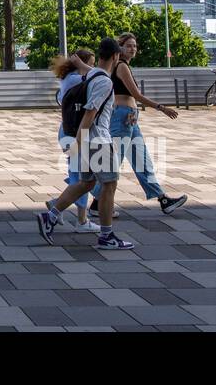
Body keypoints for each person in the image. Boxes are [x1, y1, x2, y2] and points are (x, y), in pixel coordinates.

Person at [38, 38, 134, 250]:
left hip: (87, 141)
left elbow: (87, 68)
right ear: (116, 57)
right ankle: (106, 236)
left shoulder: (92, 74)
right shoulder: (104, 82)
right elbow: (90, 113)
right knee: (109, 185)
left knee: (86, 184)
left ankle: (50, 216)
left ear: (99, 56)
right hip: (97, 140)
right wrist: (79, 143)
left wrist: (79, 63)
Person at [88, 32, 188, 217]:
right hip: (122, 118)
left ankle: (162, 199)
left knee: (142, 159)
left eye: (134, 45)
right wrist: (161, 108)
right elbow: (136, 95)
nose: (132, 49)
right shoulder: (121, 66)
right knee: (113, 162)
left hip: (130, 117)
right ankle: (95, 203)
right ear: (119, 49)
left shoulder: (120, 66)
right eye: (128, 46)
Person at [47, 50, 100, 234]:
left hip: (70, 131)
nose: (92, 67)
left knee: (79, 175)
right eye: (90, 63)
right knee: (82, 178)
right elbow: (99, 78)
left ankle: (59, 204)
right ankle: (80, 219)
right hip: (72, 132)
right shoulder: (74, 79)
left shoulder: (71, 78)